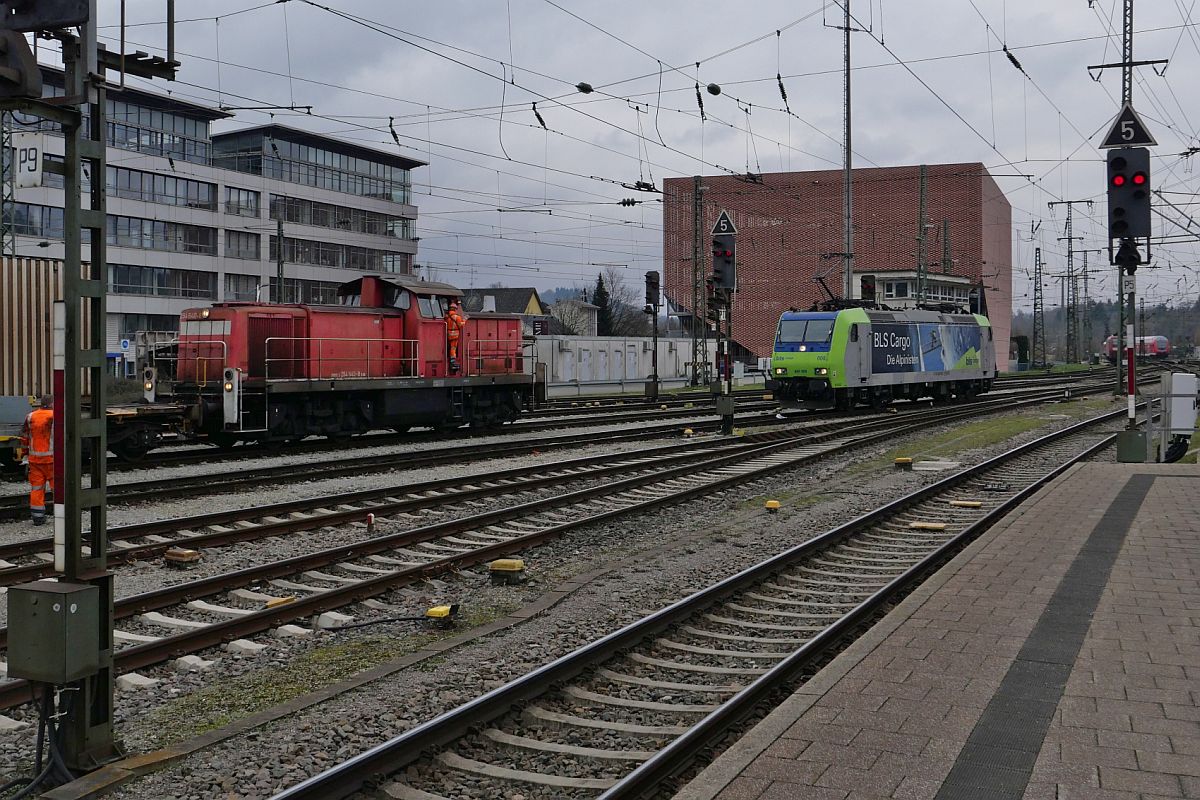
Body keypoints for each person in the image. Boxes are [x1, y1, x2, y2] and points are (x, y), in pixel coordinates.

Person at [19, 395, 53, 526]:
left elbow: (24, 437)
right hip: (52, 461)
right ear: (51, 404)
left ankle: (38, 518)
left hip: (35, 461)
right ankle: (62, 515)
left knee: (37, 489)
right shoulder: (56, 416)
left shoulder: (30, 416)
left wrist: (24, 454)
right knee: (59, 489)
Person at [445, 299, 467, 372]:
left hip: (448, 334)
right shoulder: (457, 317)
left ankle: (450, 358)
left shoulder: (447, 316)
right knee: (453, 348)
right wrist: (465, 320)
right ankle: (452, 360)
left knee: (449, 347)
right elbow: (460, 325)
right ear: (455, 309)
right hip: (455, 335)